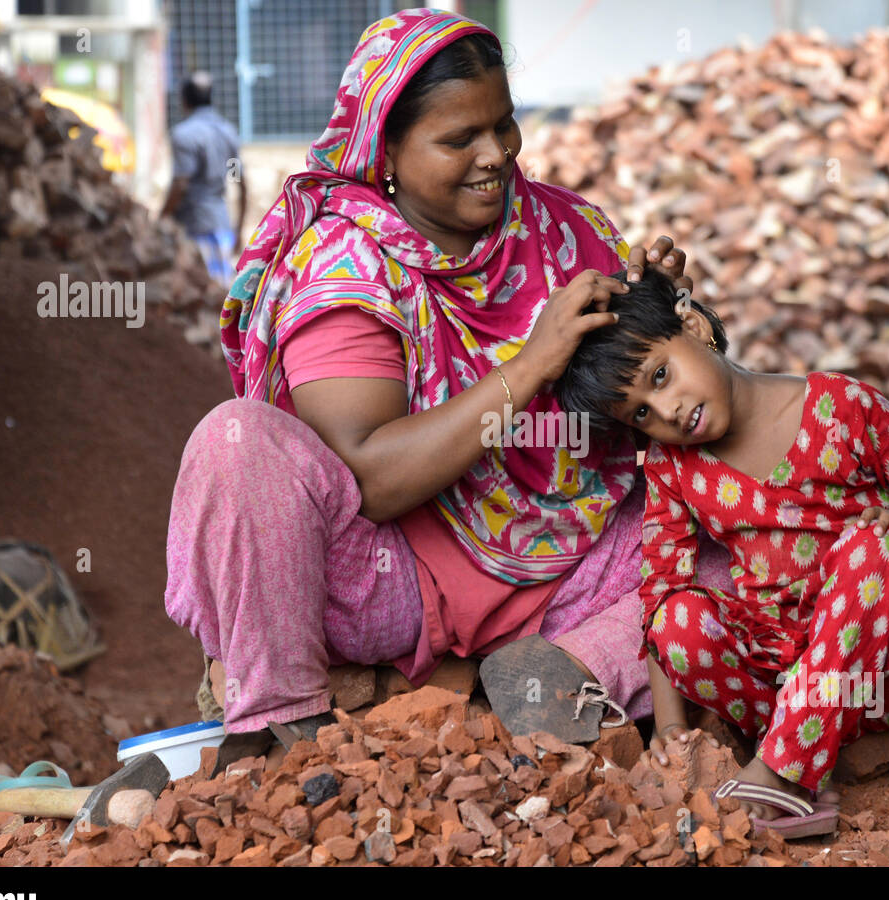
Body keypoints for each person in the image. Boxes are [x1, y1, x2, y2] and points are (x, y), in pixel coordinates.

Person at [164, 9, 702, 761]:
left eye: (504, 126)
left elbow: (647, 404)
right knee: (236, 439)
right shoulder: (345, 264)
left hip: (575, 567)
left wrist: (671, 331)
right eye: (459, 140)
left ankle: (562, 677)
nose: (497, 156)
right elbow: (372, 480)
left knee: (740, 516)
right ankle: (280, 722)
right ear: (386, 146)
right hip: (391, 585)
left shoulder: (571, 231)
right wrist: (530, 366)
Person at [556, 267, 889, 836]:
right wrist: (669, 731)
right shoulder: (673, 467)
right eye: (641, 413)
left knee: (871, 546)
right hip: (783, 680)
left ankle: (781, 774)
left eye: (661, 375)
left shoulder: (841, 404)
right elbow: (661, 588)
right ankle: (805, 748)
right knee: (678, 620)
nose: (666, 410)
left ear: (693, 326)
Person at [161, 70, 246, 285]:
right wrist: (238, 227)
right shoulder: (228, 133)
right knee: (220, 294)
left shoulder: (184, 135)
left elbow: (181, 183)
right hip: (221, 223)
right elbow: (239, 182)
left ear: (184, 100)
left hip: (194, 226)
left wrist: (162, 217)